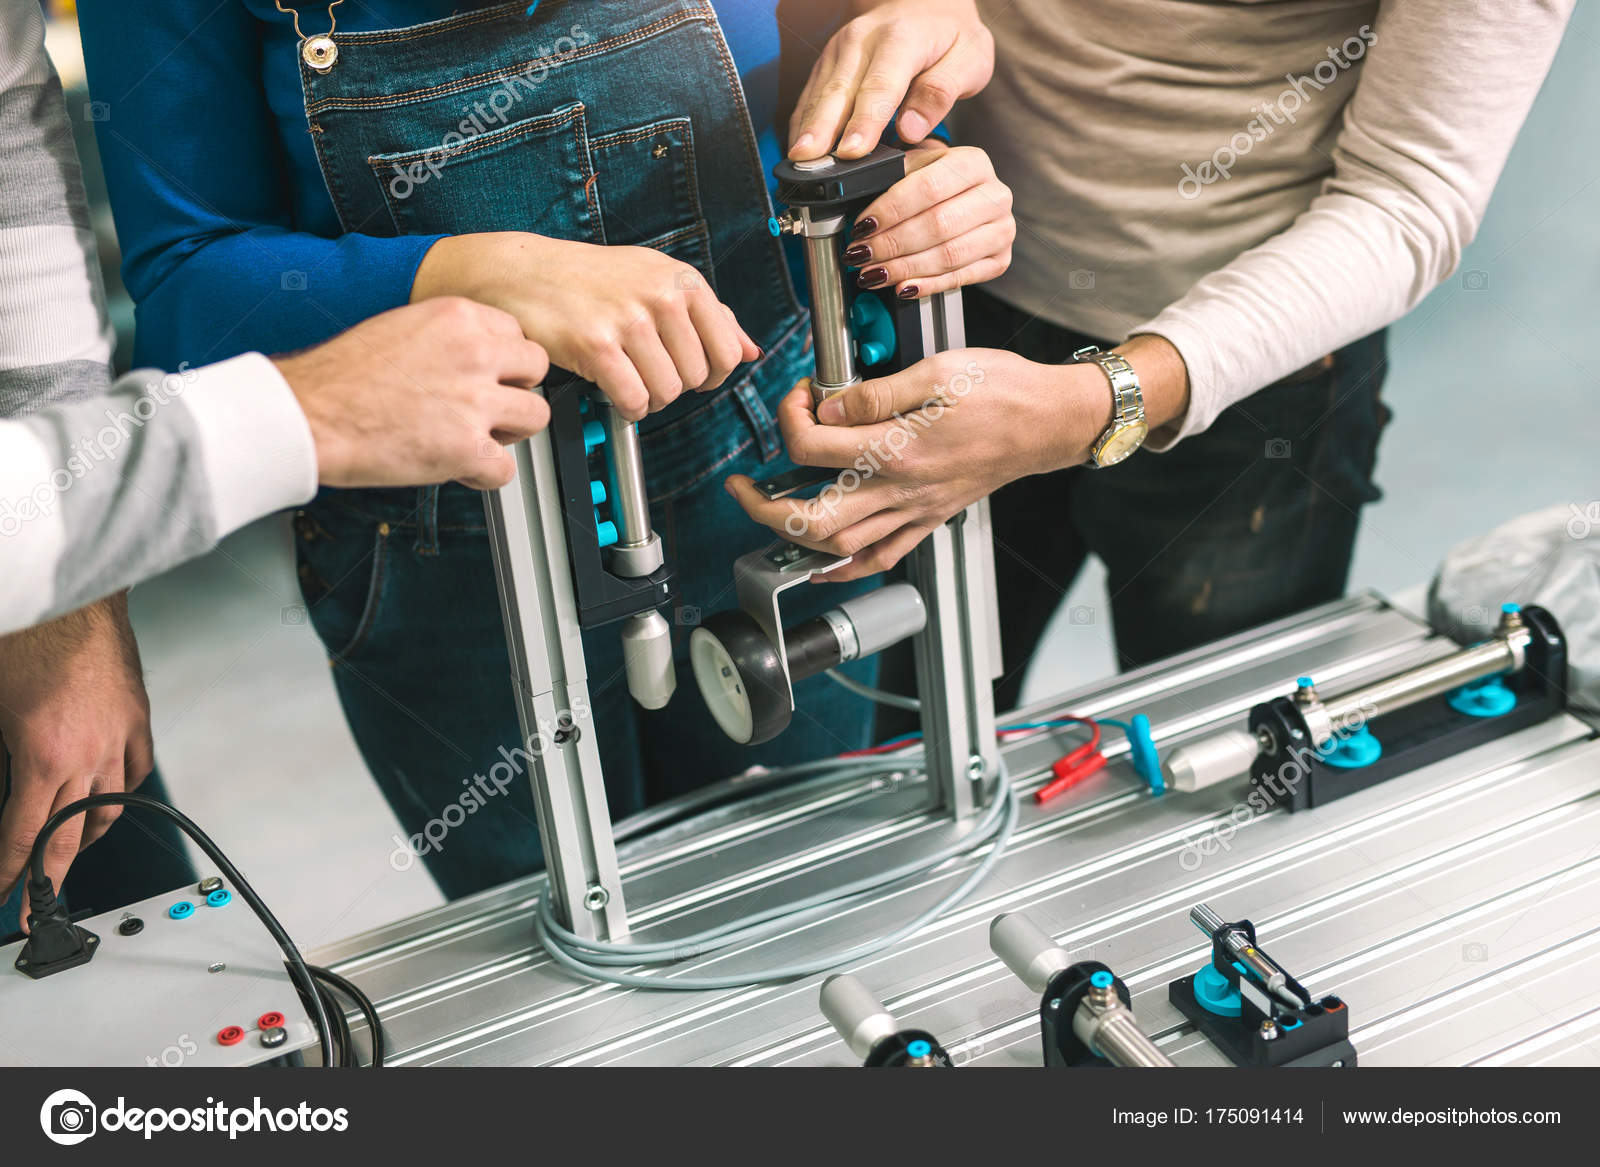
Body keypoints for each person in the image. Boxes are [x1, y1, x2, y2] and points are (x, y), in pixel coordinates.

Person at [74, 0, 1015, 899]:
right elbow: (187, 297)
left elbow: (850, 41)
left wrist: (921, 139)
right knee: (561, 950)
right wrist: (468, 273)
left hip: (768, 465)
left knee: (820, 886)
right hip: (446, 545)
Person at [732, 0, 1575, 711]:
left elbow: (1406, 199)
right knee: (921, 726)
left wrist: (1096, 401)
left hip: (1243, 373)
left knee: (1210, 754)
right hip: (950, 321)